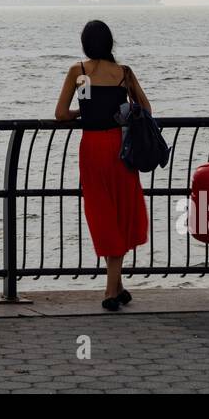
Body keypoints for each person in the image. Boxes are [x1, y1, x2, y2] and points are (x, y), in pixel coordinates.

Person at [54, 19, 151, 311]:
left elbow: (61, 114)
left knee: (102, 211)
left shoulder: (79, 72)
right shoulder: (123, 73)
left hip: (92, 147)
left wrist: (83, 114)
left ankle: (111, 291)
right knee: (121, 209)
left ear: (85, 44)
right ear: (110, 43)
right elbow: (145, 109)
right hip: (120, 148)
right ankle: (117, 286)